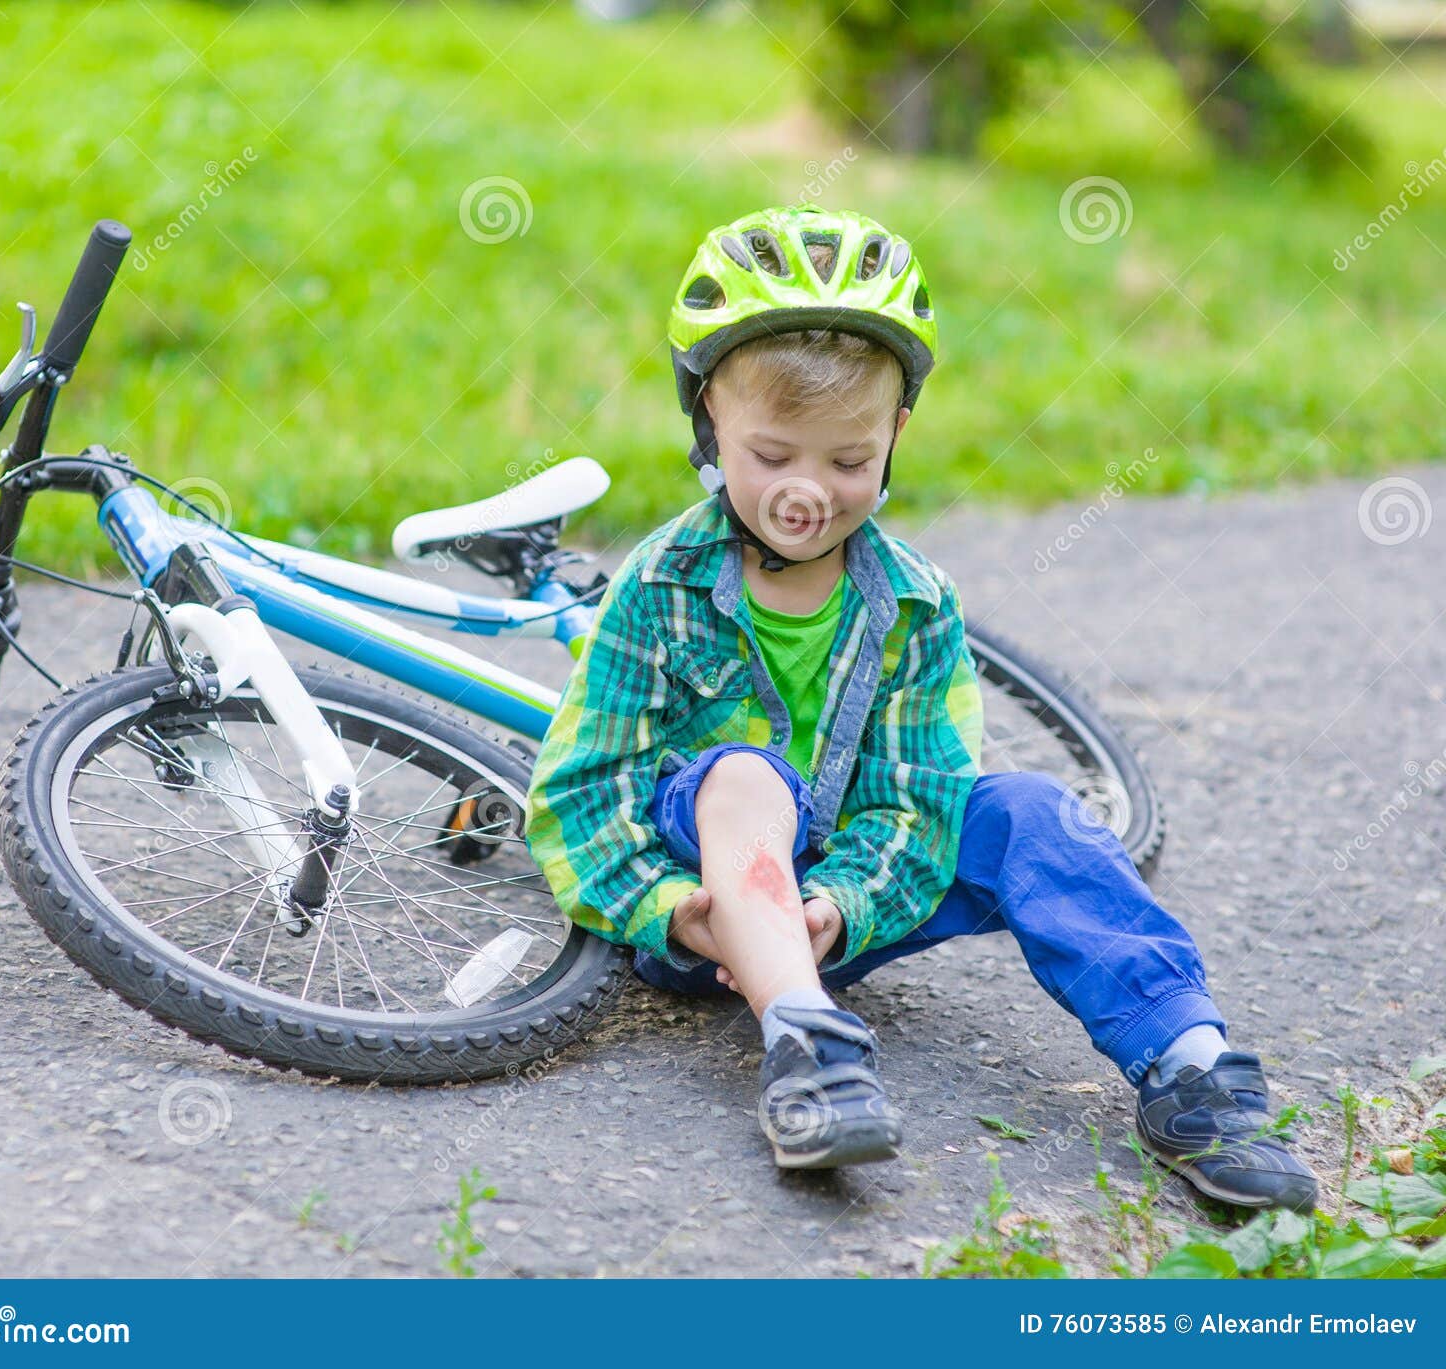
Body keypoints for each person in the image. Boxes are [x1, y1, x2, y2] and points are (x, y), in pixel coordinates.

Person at [523, 204, 1317, 1212]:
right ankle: (803, 1046)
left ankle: (1188, 1071)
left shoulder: (912, 602)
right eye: (773, 456)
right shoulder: (659, 585)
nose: (807, 490)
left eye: (846, 461)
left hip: (852, 901)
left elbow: (921, 801)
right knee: (741, 772)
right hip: (702, 910)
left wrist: (842, 905)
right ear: (708, 424)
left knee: (1031, 812)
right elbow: (584, 791)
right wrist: (671, 912)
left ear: (894, 434)